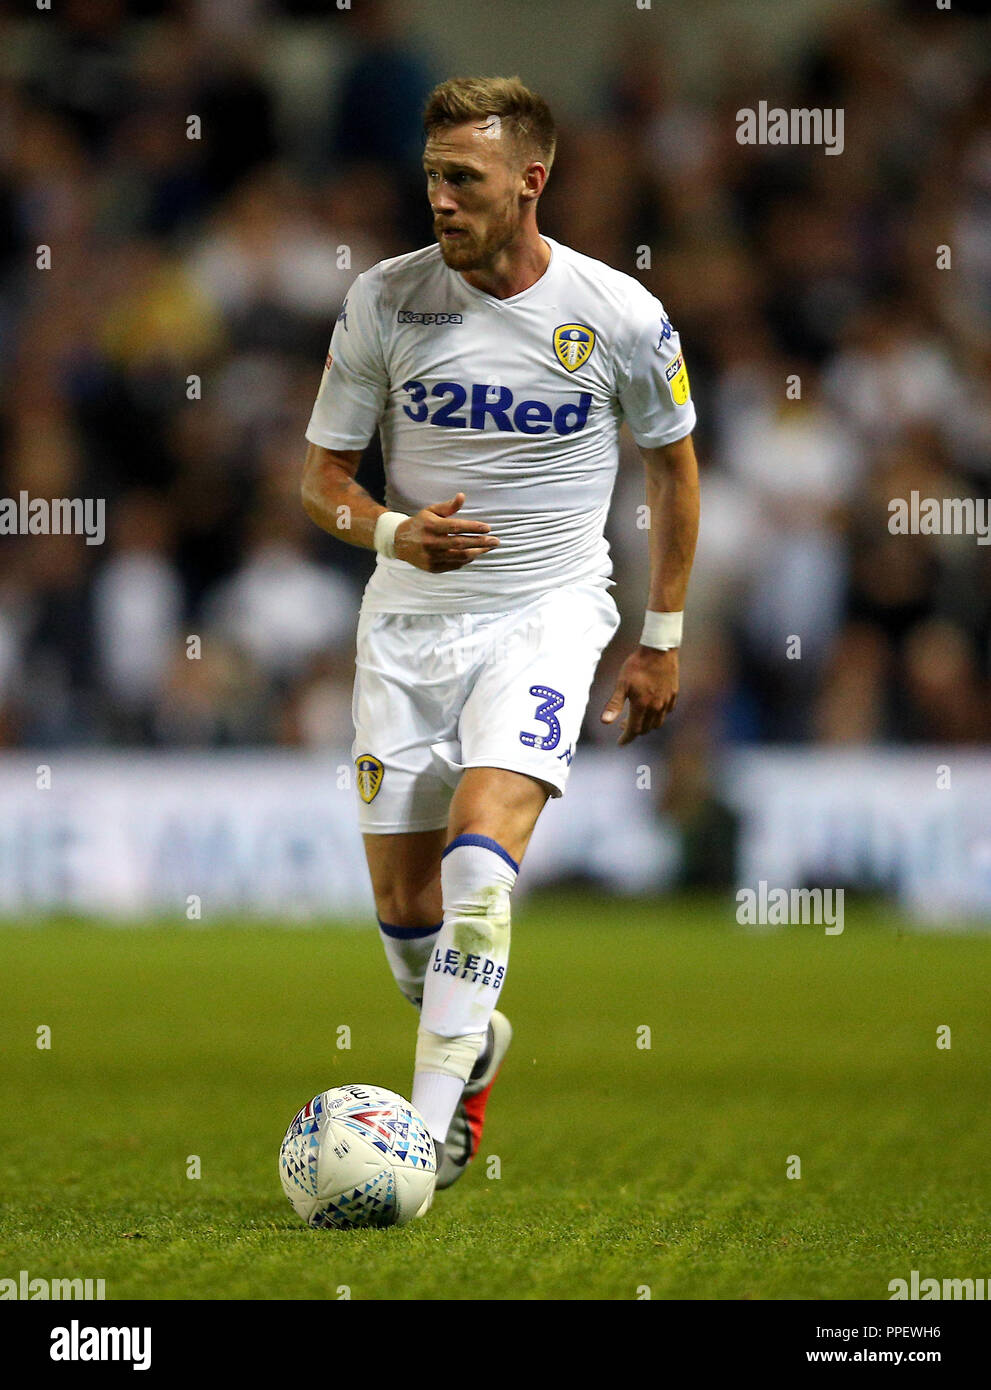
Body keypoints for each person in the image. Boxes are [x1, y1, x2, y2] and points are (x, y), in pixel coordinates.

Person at [301, 76, 699, 1212]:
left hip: (548, 614)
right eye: (431, 176)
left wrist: (658, 636)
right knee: (409, 930)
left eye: (461, 178)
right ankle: (474, 1041)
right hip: (408, 626)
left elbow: (673, 468)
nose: (438, 197)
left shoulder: (617, 312)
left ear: (531, 180)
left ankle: (417, 1145)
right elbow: (317, 480)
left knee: (483, 871)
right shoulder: (385, 301)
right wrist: (389, 529)